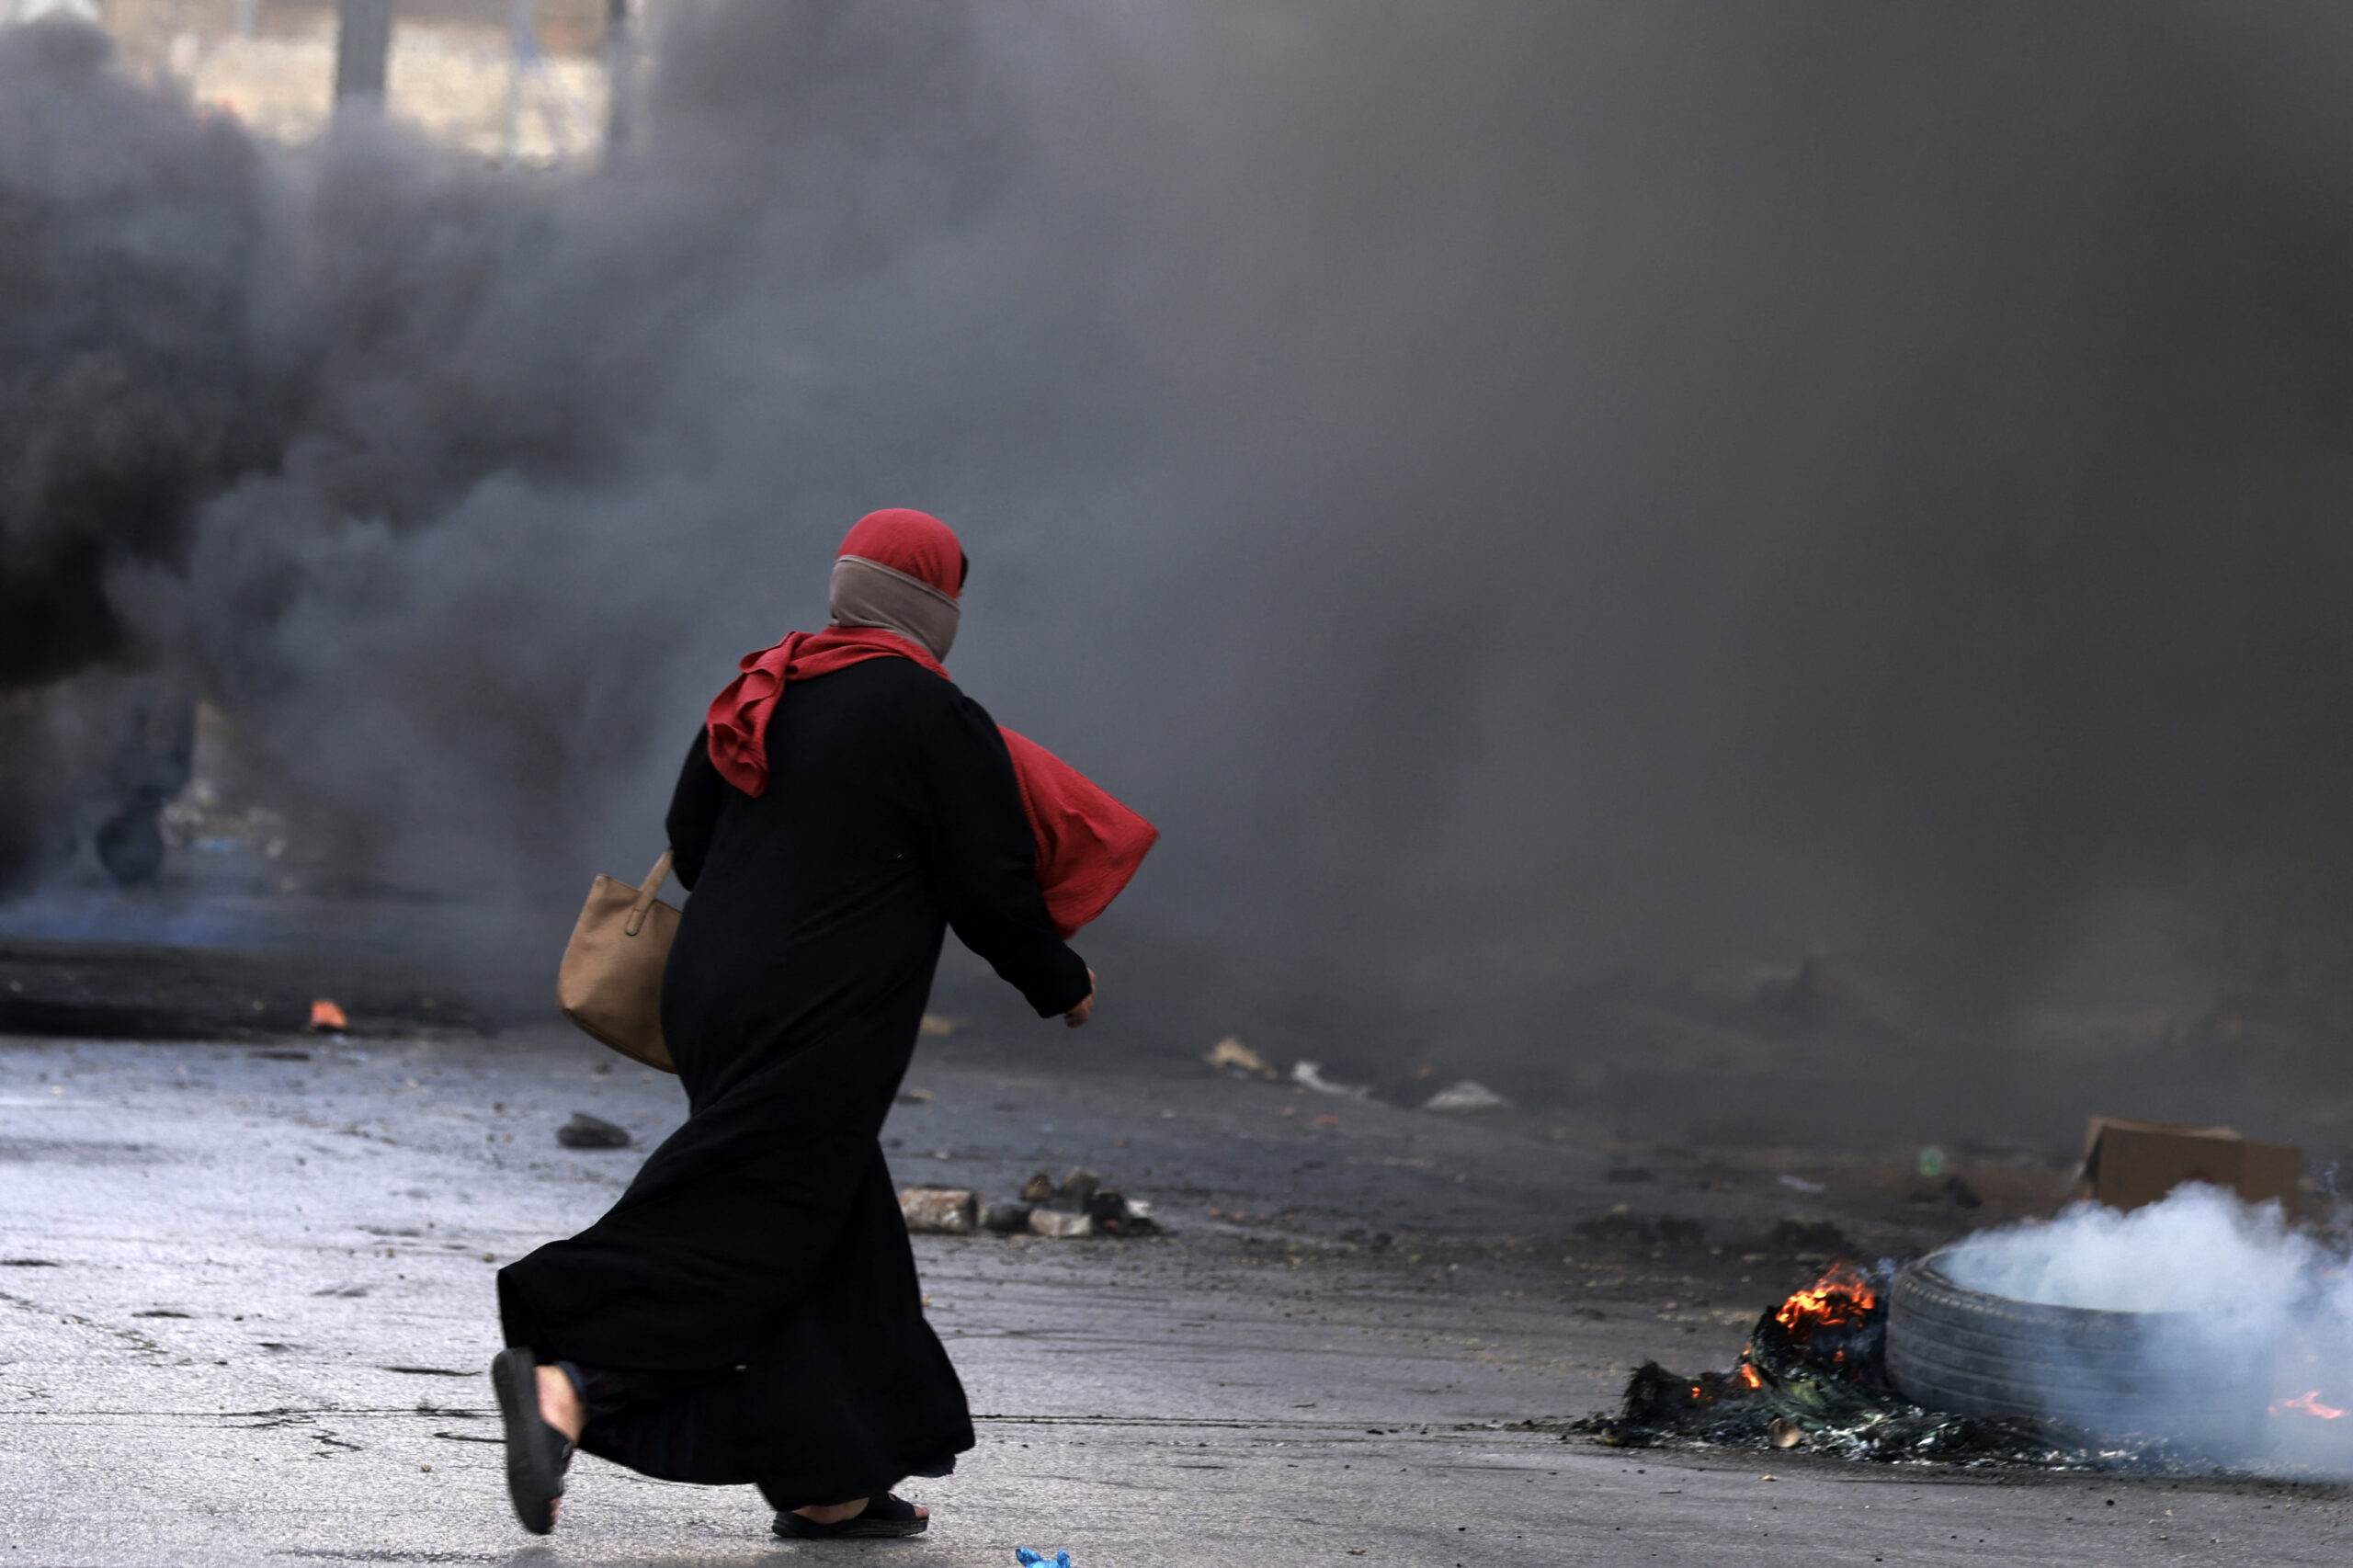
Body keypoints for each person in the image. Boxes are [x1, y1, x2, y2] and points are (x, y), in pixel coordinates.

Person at [491, 509, 1154, 1540]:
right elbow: (987, 883)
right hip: (820, 1008)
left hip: (708, 990)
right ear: (932, 606)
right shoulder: (933, 715)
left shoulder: (768, 683)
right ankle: (575, 1379)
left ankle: (830, 1479)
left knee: (833, 1223)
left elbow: (690, 839)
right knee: (757, 1211)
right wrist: (1058, 977)